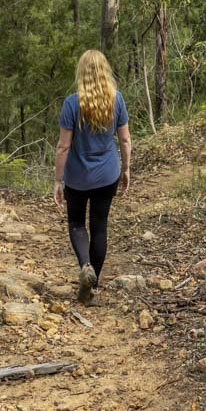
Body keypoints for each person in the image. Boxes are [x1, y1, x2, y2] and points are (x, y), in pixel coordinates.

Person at [53, 49, 131, 303]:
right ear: (105, 71)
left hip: (77, 177)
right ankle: (93, 283)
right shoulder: (116, 100)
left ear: (81, 73)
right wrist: (127, 168)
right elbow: (125, 139)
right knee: (100, 226)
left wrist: (57, 179)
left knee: (77, 223)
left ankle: (85, 265)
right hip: (107, 174)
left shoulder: (71, 103)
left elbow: (63, 146)